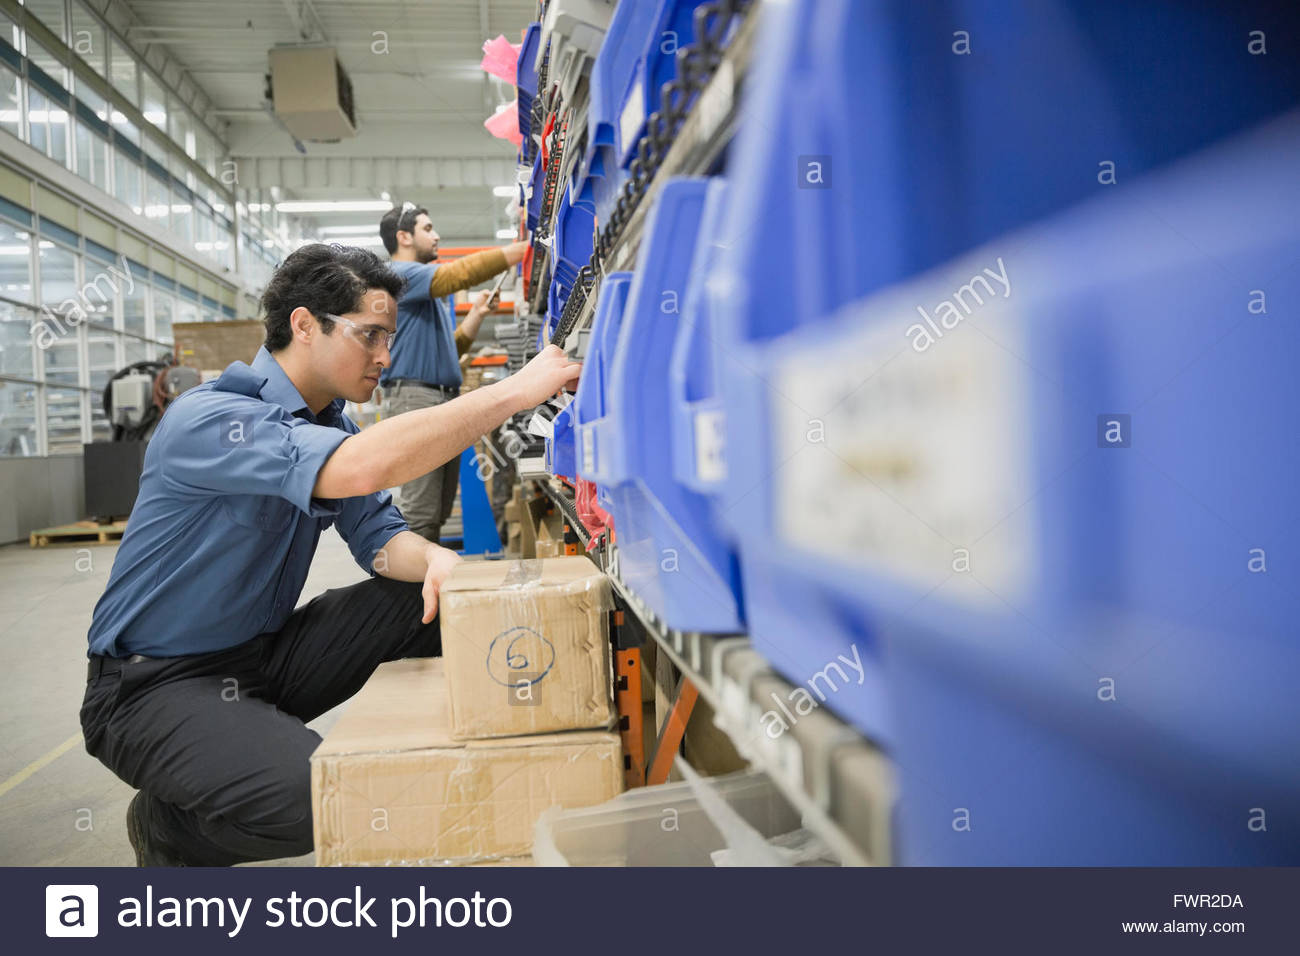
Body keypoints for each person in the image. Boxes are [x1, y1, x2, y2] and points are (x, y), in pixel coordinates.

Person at [78, 243, 580, 866]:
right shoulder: (210, 418)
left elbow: (379, 539)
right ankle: (167, 828)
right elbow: (363, 466)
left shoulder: (330, 427)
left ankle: (474, 768)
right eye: (370, 335)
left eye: (388, 337)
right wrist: (513, 392)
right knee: (326, 798)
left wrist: (437, 564)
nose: (385, 356)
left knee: (429, 598)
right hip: (151, 686)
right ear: (305, 325)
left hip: (258, 659)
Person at [379, 201, 528, 543]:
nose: (437, 236)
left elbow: (451, 351)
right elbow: (455, 275)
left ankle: (423, 591)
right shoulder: (400, 276)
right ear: (403, 236)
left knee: (437, 511)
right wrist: (517, 252)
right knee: (421, 512)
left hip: (437, 396)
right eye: (427, 229)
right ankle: (406, 596)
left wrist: (475, 315)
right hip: (416, 399)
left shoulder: (426, 294)